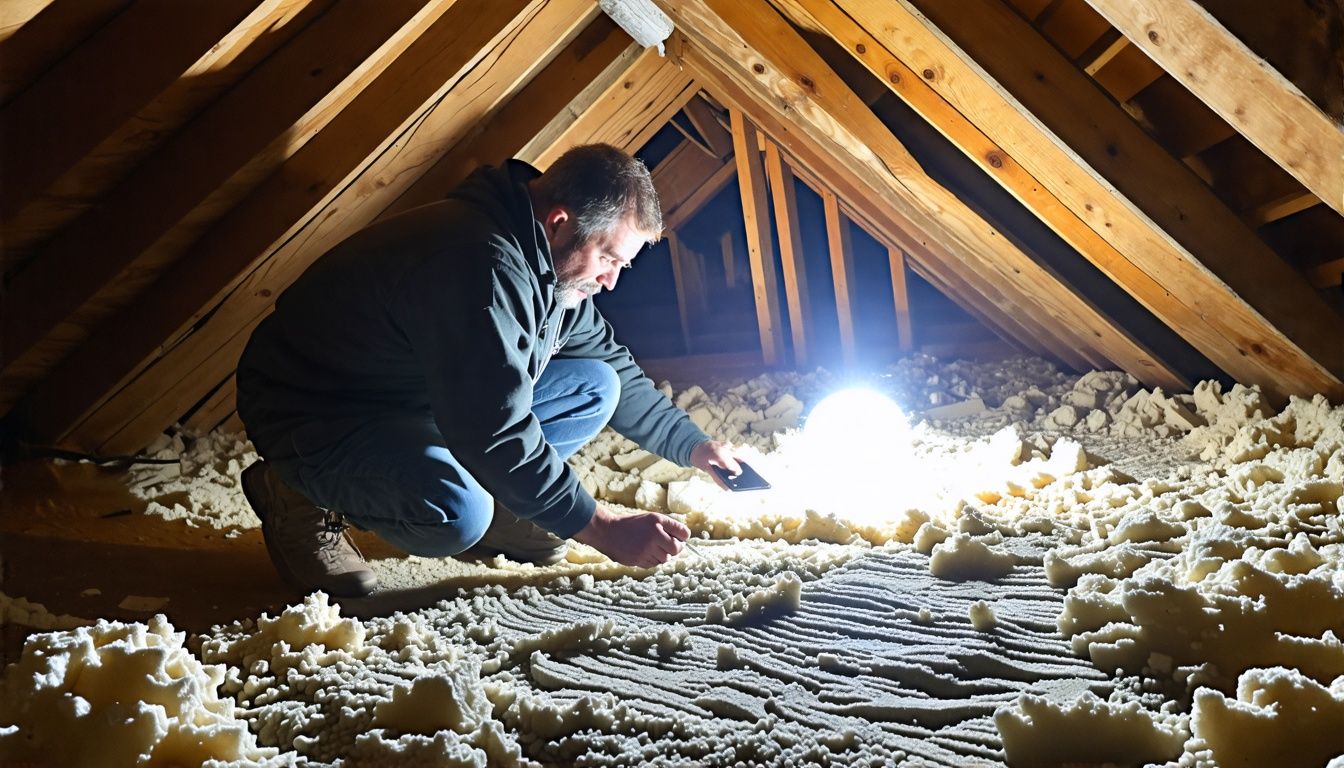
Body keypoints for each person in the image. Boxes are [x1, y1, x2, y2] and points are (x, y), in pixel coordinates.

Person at [236, 143, 745, 597]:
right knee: (457, 514)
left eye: (622, 265)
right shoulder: (477, 264)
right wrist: (601, 527)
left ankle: (506, 502)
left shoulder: (549, 265)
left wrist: (695, 446)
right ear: (559, 221)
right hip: (319, 410)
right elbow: (494, 430)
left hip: (411, 395)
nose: (611, 281)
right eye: (608, 258)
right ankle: (295, 490)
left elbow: (614, 363)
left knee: (595, 385)